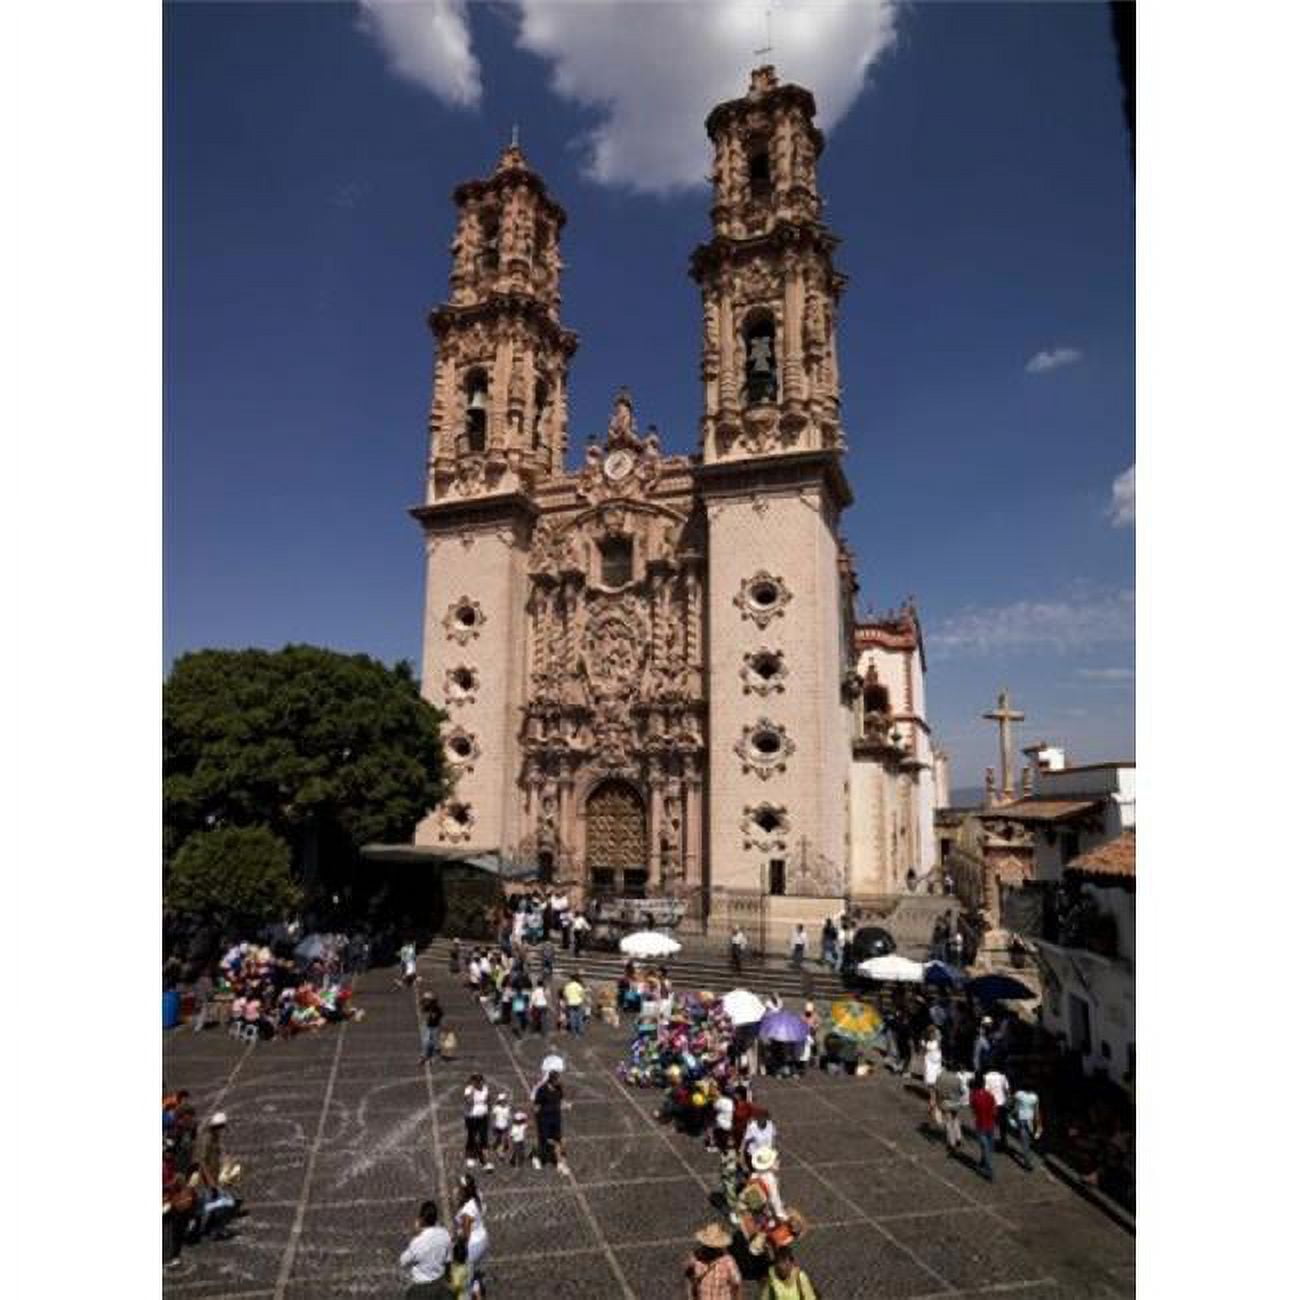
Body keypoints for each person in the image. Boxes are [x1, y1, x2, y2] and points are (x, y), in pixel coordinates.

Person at [400, 1198, 452, 1294]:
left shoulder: (417, 1242)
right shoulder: (445, 1235)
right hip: (439, 1283)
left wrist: (417, 1234)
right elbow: (448, 1260)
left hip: (421, 1286)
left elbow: (403, 1261)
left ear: (421, 1220)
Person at [683, 1222, 743, 1299]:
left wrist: (691, 1297)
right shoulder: (728, 1261)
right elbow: (737, 1282)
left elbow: (689, 1277)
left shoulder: (695, 1257)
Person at [453, 1174, 489, 1294]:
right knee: (476, 1277)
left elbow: (465, 1235)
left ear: (464, 1191)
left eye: (459, 1188)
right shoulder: (477, 1195)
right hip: (482, 1238)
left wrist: (456, 1243)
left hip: (472, 1245)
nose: (456, 1189)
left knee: (462, 1282)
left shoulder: (467, 1212)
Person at [532, 1069, 568, 1174]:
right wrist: (537, 1121)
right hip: (544, 1120)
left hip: (556, 1119)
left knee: (558, 1140)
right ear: (552, 1079)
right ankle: (537, 1158)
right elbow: (536, 1106)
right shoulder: (542, 1090)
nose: (559, 1081)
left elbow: (561, 1100)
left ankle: (560, 1163)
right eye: (558, 1079)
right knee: (543, 1141)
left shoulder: (559, 1088)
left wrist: (566, 1105)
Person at [969, 1073, 998, 1181]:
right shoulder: (990, 1096)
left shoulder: (973, 1096)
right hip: (990, 1125)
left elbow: (973, 1109)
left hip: (980, 1125)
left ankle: (989, 1170)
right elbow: (995, 1111)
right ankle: (983, 1162)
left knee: (985, 1148)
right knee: (988, 1147)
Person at [934, 1062, 966, 1156]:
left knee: (948, 1122)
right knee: (955, 1119)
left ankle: (952, 1143)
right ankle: (959, 1137)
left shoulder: (940, 1077)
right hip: (955, 1102)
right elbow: (962, 1091)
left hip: (945, 1102)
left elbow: (937, 1090)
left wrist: (937, 1101)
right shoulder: (957, 1079)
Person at [463, 1074, 492, 1171]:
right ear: (473, 1082)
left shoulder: (485, 1088)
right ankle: (470, 1157)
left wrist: (488, 1111)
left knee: (484, 1138)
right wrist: (472, 1091)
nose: (479, 1083)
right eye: (477, 1081)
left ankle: (486, 1161)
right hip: (471, 1117)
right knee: (472, 1137)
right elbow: (469, 1102)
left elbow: (488, 1100)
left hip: (483, 1117)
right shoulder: (468, 1090)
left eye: (480, 1081)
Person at [1010, 1085, 1043, 1171]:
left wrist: (1011, 1116)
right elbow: (1037, 1112)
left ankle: (1027, 1161)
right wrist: (1039, 1125)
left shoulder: (1019, 1094)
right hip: (1030, 1121)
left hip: (1021, 1119)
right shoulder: (1035, 1097)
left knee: (1025, 1142)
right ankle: (1027, 1158)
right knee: (1029, 1140)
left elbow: (1015, 1107)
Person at [982, 1062, 1011, 1150]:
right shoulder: (1003, 1076)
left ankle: (991, 1141)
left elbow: (986, 1091)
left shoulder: (986, 1077)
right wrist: (1008, 1099)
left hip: (990, 1104)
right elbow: (1007, 1090)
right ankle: (1003, 1141)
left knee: (991, 1123)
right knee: (1003, 1124)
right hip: (1002, 1103)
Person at [421, 994, 444, 1066]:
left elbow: (437, 1017)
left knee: (433, 1041)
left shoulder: (437, 1009)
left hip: (434, 1026)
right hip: (428, 1026)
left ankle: (432, 1056)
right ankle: (427, 1054)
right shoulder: (427, 1007)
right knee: (427, 1040)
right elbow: (423, 1010)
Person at [490, 1092, 511, 1159]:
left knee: (505, 1141)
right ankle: (497, 1150)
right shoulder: (496, 1108)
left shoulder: (507, 1108)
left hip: (505, 1127)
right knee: (499, 1140)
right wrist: (493, 1125)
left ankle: (501, 1153)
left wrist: (509, 1125)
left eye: (505, 1100)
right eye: (502, 1101)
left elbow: (508, 1117)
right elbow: (493, 1116)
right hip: (497, 1126)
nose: (503, 1102)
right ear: (500, 1101)